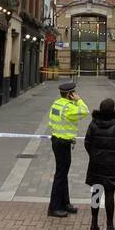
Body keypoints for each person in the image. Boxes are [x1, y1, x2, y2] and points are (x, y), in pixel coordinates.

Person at [83, 98, 115, 230]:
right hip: (112, 165)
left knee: (96, 192)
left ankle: (94, 224)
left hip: (96, 164)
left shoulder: (93, 124)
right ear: (113, 109)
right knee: (109, 194)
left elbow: (87, 142)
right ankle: (109, 227)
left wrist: (94, 155)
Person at [47, 81, 88, 218]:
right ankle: (54, 207)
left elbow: (51, 121)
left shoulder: (57, 103)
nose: (75, 94)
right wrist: (79, 100)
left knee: (62, 174)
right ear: (70, 94)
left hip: (57, 140)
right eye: (74, 93)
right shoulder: (69, 108)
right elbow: (84, 112)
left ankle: (64, 203)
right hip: (63, 143)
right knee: (60, 175)